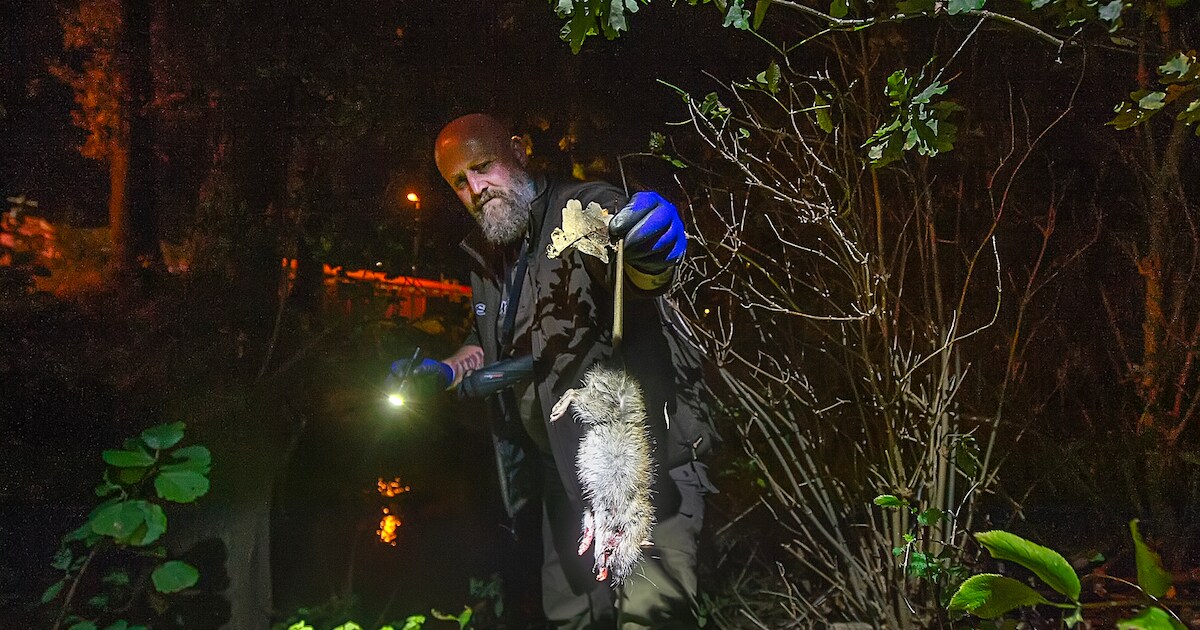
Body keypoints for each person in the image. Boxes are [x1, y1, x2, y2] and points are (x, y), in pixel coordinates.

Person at [393, 113, 715, 629]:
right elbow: (490, 340)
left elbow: (632, 265)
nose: (475, 188)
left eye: (484, 166)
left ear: (519, 151)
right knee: (571, 618)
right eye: (459, 182)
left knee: (652, 618)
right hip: (563, 477)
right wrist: (446, 370)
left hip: (642, 469)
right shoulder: (491, 251)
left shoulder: (581, 208)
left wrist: (652, 247)